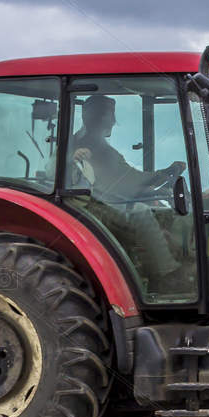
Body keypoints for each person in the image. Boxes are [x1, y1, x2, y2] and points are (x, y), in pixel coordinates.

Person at [68, 93, 192, 296]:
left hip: (102, 201)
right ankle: (169, 273)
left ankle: (162, 271)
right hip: (89, 208)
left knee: (161, 209)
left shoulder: (98, 145)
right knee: (142, 211)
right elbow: (128, 181)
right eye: (110, 115)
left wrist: (161, 185)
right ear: (98, 117)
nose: (113, 121)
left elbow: (123, 181)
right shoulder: (79, 145)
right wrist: (162, 174)